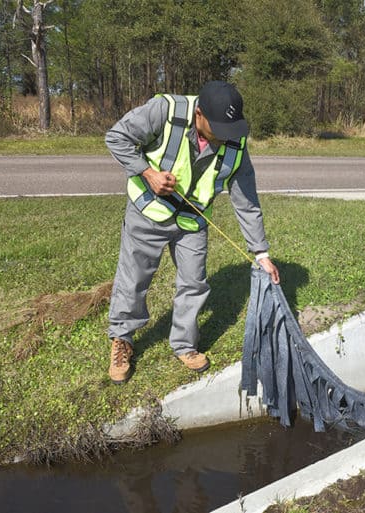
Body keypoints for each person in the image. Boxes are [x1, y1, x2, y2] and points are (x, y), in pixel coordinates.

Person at [105, 80, 279, 384]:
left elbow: (246, 201)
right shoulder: (165, 110)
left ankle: (184, 345)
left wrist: (261, 253)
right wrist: (148, 173)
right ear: (199, 114)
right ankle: (122, 339)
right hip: (148, 211)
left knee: (194, 283)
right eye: (219, 130)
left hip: (192, 222)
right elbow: (117, 137)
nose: (225, 138)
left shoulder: (235, 141)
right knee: (133, 279)